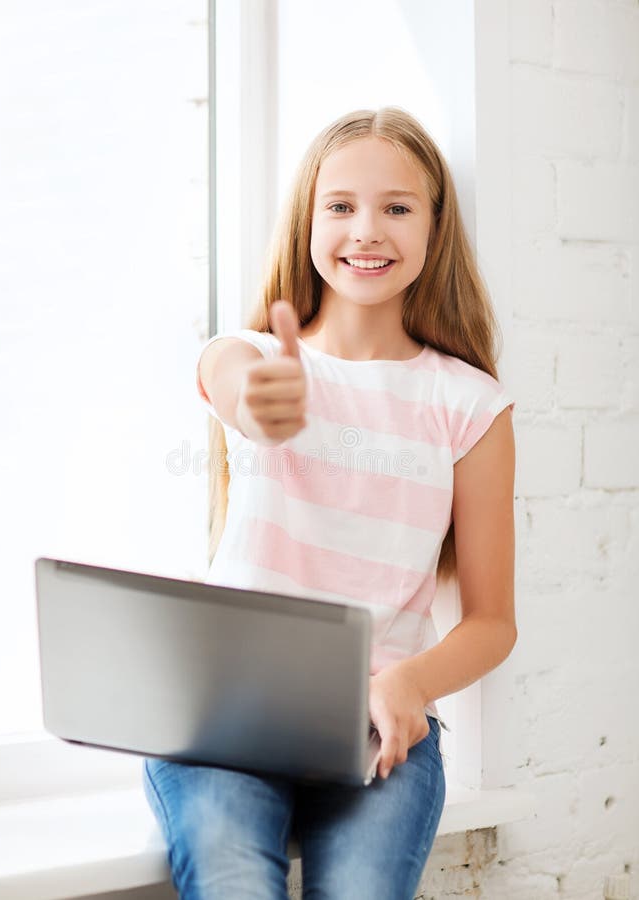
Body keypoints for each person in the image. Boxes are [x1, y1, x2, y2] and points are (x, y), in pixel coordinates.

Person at [144, 107, 517, 900]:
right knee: (234, 881)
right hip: (224, 720)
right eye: (340, 206)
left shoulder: (472, 407)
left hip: (380, 732)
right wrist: (266, 403)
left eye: (398, 207)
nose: (367, 231)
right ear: (307, 222)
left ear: (435, 225)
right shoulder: (247, 355)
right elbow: (239, 388)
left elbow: (492, 623)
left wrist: (409, 684)